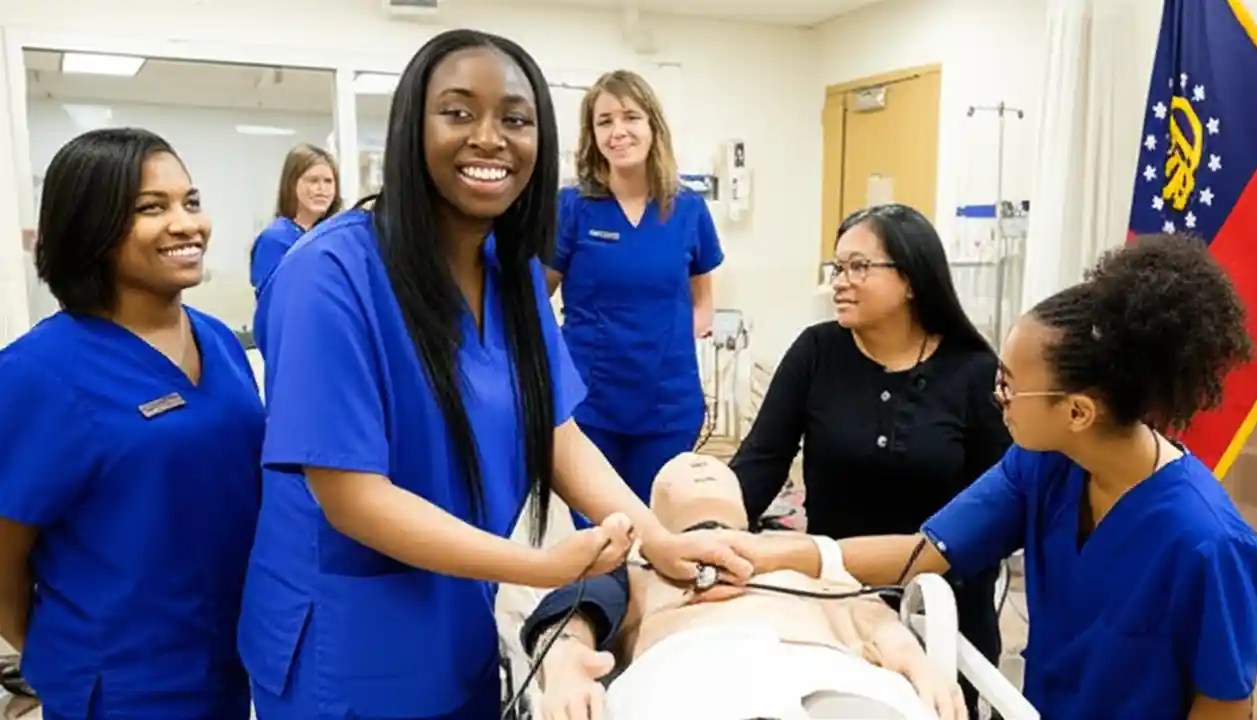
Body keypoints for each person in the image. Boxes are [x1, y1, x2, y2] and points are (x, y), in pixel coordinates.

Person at [237, 29, 752, 720]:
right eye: (457, 112)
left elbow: (555, 431)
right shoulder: (329, 274)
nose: (490, 137)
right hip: (343, 639)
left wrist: (660, 542)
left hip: (454, 611)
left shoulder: (508, 275)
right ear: (410, 128)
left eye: (515, 119)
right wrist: (539, 567)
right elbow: (351, 496)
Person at [728, 234, 1257, 719]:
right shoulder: (1045, 464)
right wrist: (776, 555)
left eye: (1008, 386)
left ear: (1077, 412)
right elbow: (925, 552)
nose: (997, 399)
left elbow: (1223, 703)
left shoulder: (1207, 542)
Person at [0, 128, 263, 719]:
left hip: (228, 664)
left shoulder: (218, 341)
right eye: (152, 208)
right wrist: (66, 653)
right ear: (90, 226)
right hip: (122, 684)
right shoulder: (38, 373)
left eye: (190, 202)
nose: (186, 223)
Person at [731, 203, 1009, 716]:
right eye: (837, 268)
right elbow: (760, 463)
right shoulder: (816, 353)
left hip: (942, 609)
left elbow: (996, 509)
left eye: (859, 267)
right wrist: (714, 529)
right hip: (836, 603)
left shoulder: (974, 373)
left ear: (911, 280)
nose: (840, 281)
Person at [520, 453, 965, 720]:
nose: (698, 464)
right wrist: (562, 662)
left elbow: (868, 615)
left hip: (828, 672)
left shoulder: (794, 551)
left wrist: (915, 662)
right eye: (677, 472)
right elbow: (576, 610)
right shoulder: (638, 564)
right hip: (687, 679)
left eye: (713, 466)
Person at [546, 70, 723, 525]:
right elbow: (534, 300)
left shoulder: (687, 208)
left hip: (667, 402)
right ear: (592, 135)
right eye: (604, 121)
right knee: (602, 534)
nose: (618, 131)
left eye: (630, 117)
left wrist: (676, 341)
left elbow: (703, 294)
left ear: (653, 126)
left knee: (659, 532)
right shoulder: (573, 206)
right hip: (590, 401)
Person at [248, 142, 341, 294]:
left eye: (328, 181)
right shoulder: (275, 240)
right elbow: (274, 301)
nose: (322, 189)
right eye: (313, 180)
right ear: (291, 184)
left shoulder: (331, 236)